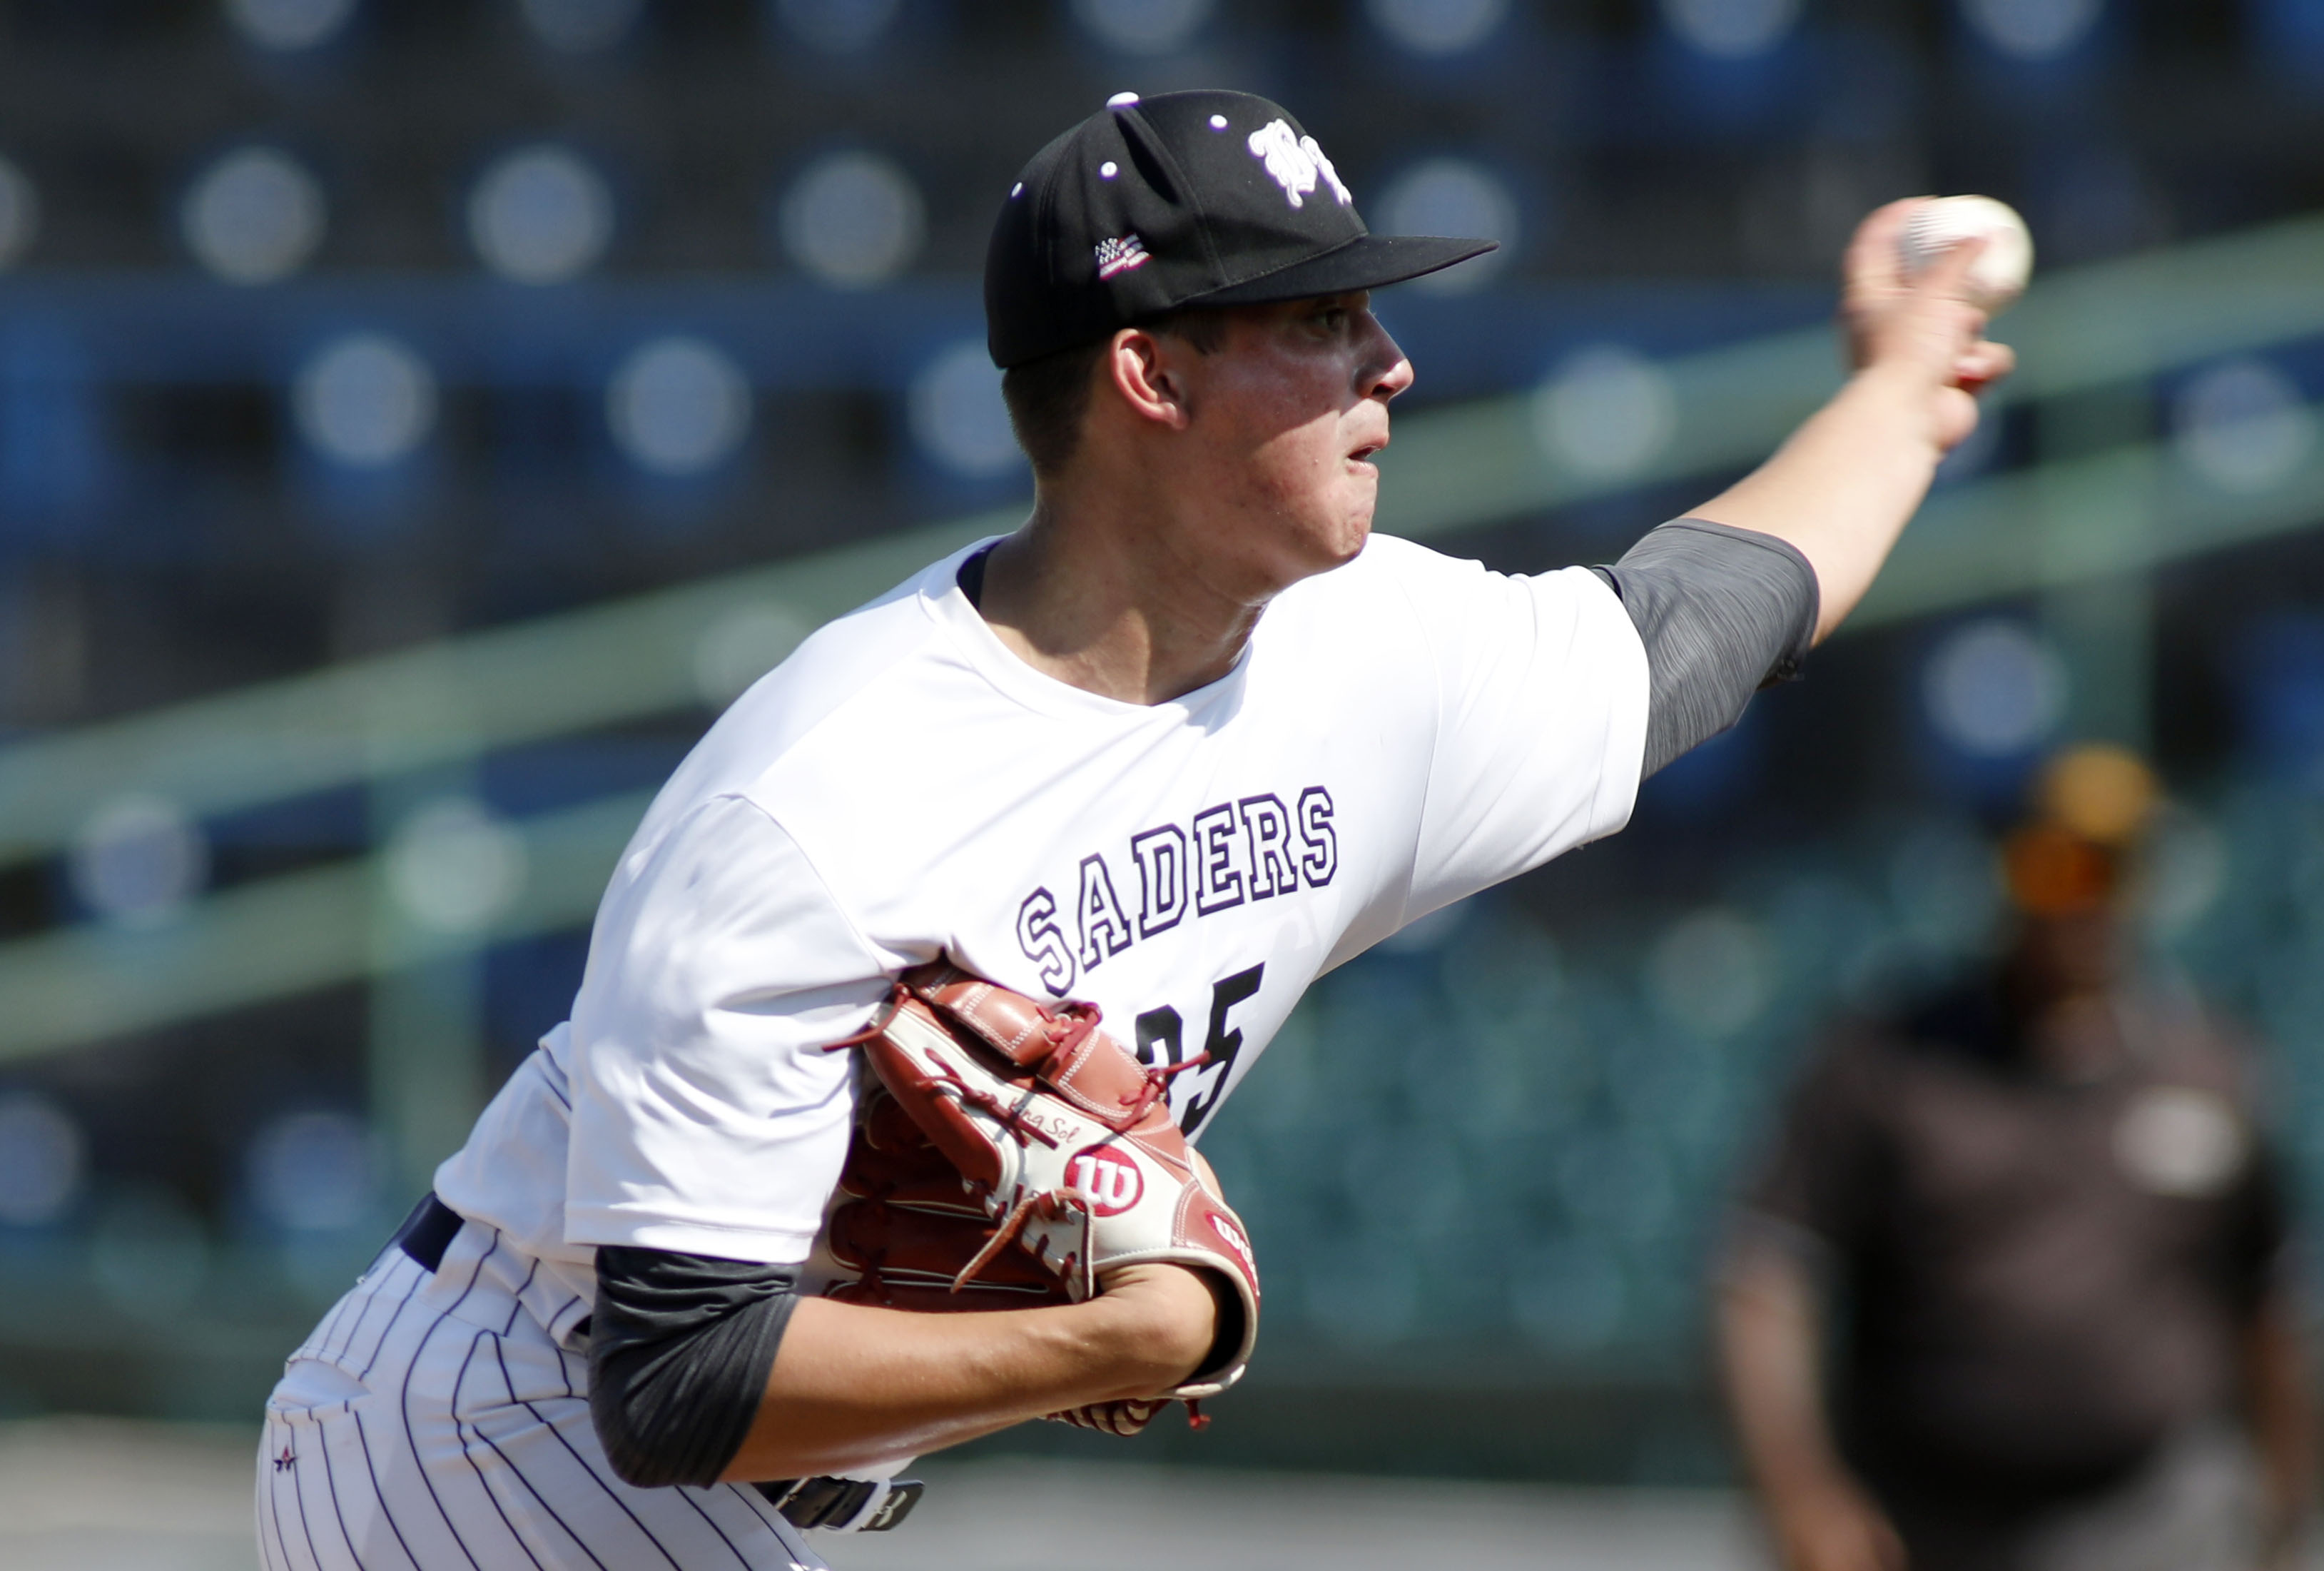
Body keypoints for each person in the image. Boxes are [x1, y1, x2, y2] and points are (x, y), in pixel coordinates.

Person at [255, 89, 2011, 1571]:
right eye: (1317, 325)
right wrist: (1120, 1332)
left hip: (752, 1491)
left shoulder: (1369, 648)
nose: (1389, 365)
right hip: (494, 1445)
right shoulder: (823, 798)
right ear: (1149, 378)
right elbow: (675, 1383)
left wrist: (1906, 382)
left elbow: (1697, 627)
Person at [1719, 747, 2317, 1571]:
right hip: (1926, 1516)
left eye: (2110, 866)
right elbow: (1768, 1277)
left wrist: (2284, 1505)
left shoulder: (2205, 1067)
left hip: (2149, 1512)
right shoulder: (1894, 1061)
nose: (2084, 895)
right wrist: (1799, 1489)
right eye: (2059, 864)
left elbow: (2266, 1306)